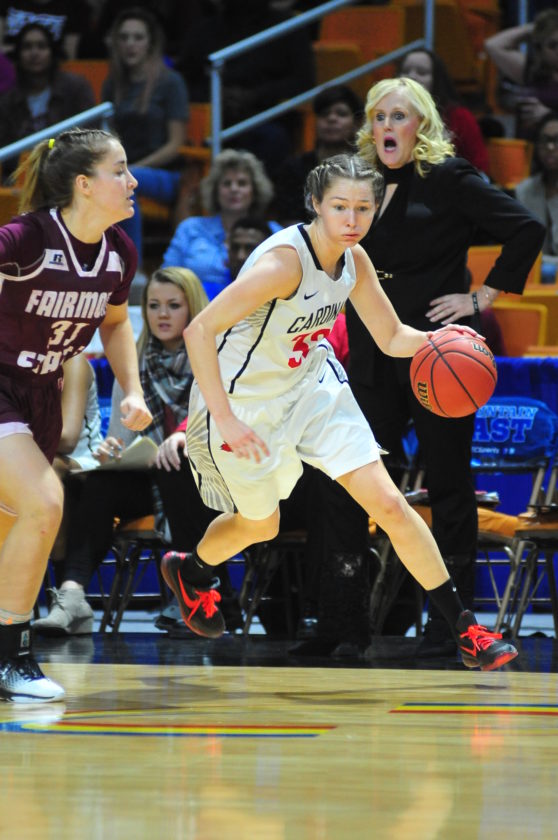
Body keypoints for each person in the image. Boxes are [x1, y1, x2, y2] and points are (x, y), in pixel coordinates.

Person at [160, 151, 519, 673]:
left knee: (390, 504)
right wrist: (228, 420)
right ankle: (191, 570)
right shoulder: (283, 262)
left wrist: (442, 342)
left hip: (313, 387)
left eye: (364, 209)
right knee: (260, 526)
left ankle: (465, 630)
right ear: (315, 205)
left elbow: (394, 337)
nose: (352, 221)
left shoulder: (355, 260)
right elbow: (199, 330)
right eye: (340, 208)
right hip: (243, 403)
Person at [346, 77, 544, 656]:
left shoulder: (449, 178)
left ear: (422, 126)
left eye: (400, 116)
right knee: (359, 485)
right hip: (371, 351)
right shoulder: (357, 181)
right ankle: (348, 619)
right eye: (379, 116)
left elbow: (526, 228)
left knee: (450, 484)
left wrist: (479, 299)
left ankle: (450, 625)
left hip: (436, 356)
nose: (387, 126)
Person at [0, 127, 152, 702]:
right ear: (85, 184)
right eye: (121, 170)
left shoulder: (120, 251)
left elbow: (114, 323)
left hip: (41, 391)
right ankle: (13, 660)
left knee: (15, 524)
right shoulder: (28, 237)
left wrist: (131, 391)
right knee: (45, 503)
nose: (133, 180)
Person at [33, 266, 226, 636]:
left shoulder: (216, 358)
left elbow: (226, 422)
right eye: (153, 305)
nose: (162, 314)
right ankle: (73, 596)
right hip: (152, 477)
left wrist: (185, 437)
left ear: (194, 309)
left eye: (173, 305)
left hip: (210, 480)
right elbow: (122, 438)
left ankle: (192, 589)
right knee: (97, 485)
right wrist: (110, 449)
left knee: (174, 463)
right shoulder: (133, 368)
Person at [176, 0, 315, 178]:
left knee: (272, 139)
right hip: (216, 117)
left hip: (267, 116)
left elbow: (303, 81)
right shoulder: (203, 30)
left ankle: (262, 202)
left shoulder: (287, 26)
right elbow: (184, 81)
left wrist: (254, 96)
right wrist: (217, 95)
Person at [101, 7, 189, 267]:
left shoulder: (170, 82)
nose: (130, 44)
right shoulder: (112, 84)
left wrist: (130, 170)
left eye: (138, 37)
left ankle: (133, 270)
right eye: (124, 37)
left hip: (167, 174)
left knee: (125, 183)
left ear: (151, 42)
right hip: (123, 170)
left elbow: (176, 144)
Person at [162, 149, 281, 300]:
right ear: (215, 191)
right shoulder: (191, 228)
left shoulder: (273, 231)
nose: (234, 189)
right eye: (226, 183)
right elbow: (168, 277)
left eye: (242, 183)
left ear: (254, 191)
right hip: (194, 311)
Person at [0, 23, 95, 179]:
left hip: (69, 173)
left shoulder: (76, 89)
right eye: (27, 47)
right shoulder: (8, 100)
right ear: (18, 54)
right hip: (22, 175)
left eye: (41, 46)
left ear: (52, 52)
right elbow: (6, 151)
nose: (34, 53)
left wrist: (49, 146)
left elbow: (89, 138)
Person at [272, 84, 365, 226]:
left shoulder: (368, 169)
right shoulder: (294, 167)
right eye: (324, 114)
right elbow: (288, 220)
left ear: (356, 124)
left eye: (341, 114)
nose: (331, 119)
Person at [397, 48, 490, 175]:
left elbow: (479, 166)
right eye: (406, 71)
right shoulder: (387, 116)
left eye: (422, 72)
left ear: (436, 80)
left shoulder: (458, 116)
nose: (412, 76)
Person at [484, 9, 558, 139]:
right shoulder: (532, 71)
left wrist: (549, 116)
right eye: (553, 45)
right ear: (540, 48)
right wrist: (538, 27)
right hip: (529, 149)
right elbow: (493, 45)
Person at [515, 111, 558, 283]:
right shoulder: (524, 190)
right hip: (534, 276)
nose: (550, 147)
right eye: (545, 140)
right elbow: (522, 249)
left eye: (556, 140)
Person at [0, 0, 91, 60]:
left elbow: (71, 54)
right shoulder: (6, 2)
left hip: (53, 68)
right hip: (11, 64)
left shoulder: (75, 6)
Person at [226, 216, 274, 281]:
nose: (240, 256)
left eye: (250, 248)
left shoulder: (285, 288)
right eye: (235, 248)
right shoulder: (210, 289)